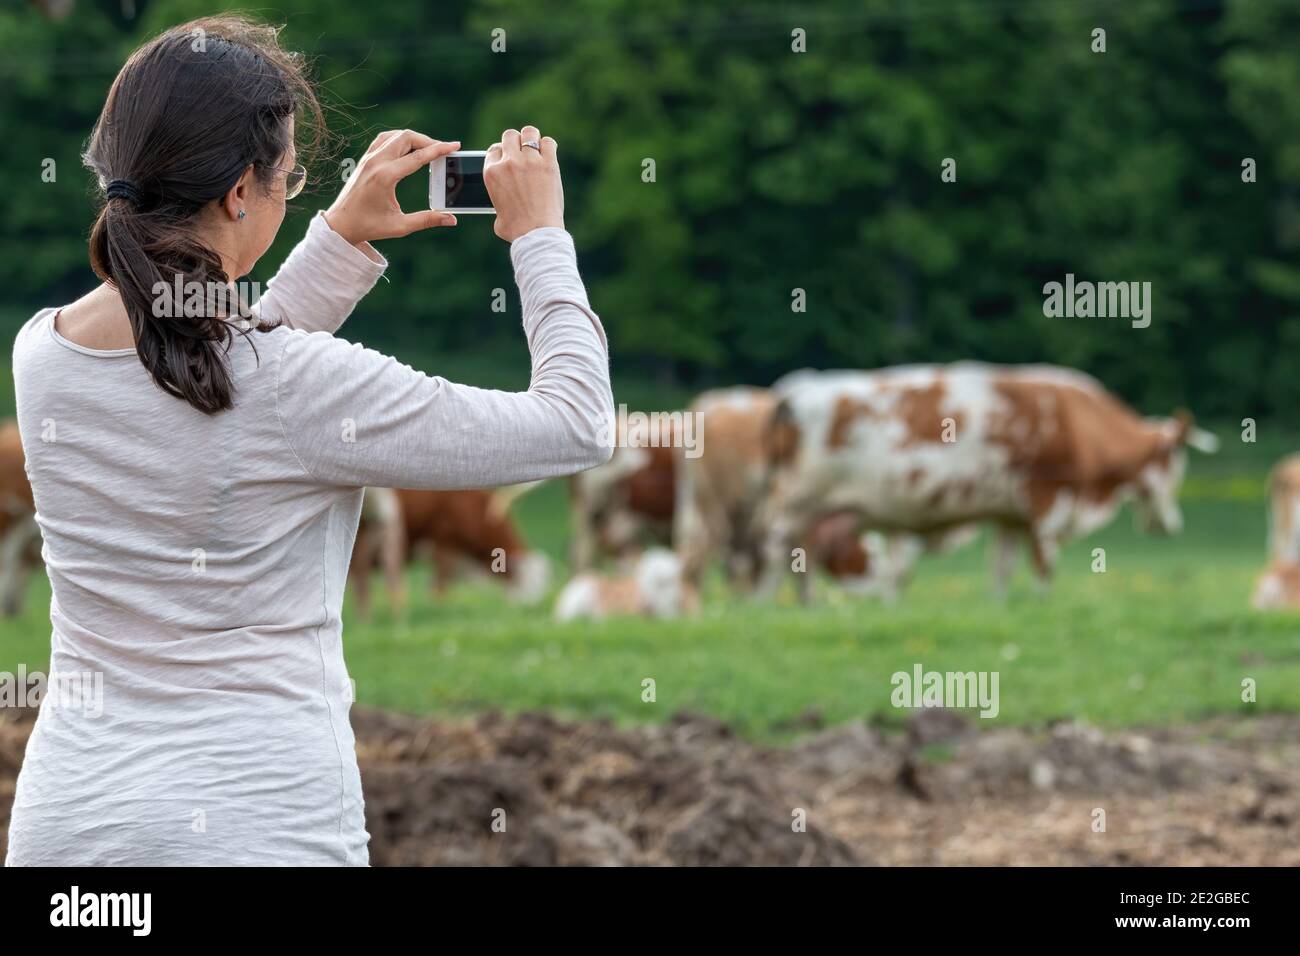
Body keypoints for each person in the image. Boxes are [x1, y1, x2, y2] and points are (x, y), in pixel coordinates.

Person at [5, 15, 612, 866]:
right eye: (289, 179)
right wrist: (541, 238)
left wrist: (336, 238)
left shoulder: (42, 353)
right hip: (260, 828)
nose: (291, 198)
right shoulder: (291, 383)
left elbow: (213, 370)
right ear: (239, 194)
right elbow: (576, 423)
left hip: (67, 832)